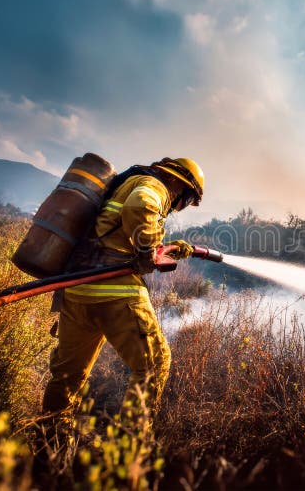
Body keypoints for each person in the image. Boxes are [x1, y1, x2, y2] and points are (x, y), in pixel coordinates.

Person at [41, 157, 204, 421]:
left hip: (77, 289)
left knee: (67, 376)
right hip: (115, 293)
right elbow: (140, 207)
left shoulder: (126, 184)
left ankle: (49, 442)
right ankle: (132, 446)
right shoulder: (155, 185)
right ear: (176, 180)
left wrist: (169, 246)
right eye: (186, 199)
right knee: (155, 364)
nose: (181, 206)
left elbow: (118, 230)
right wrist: (147, 249)